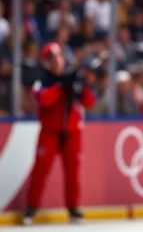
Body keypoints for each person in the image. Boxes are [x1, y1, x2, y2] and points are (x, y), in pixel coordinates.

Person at [24, 42, 96, 226]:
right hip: (49, 132)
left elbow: (89, 102)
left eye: (58, 57)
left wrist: (81, 85)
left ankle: (73, 209)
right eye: (52, 58)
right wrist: (61, 85)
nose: (56, 61)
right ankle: (31, 209)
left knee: (73, 173)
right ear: (45, 62)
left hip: (72, 132)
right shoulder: (42, 80)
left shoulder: (72, 79)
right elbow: (44, 100)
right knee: (40, 172)